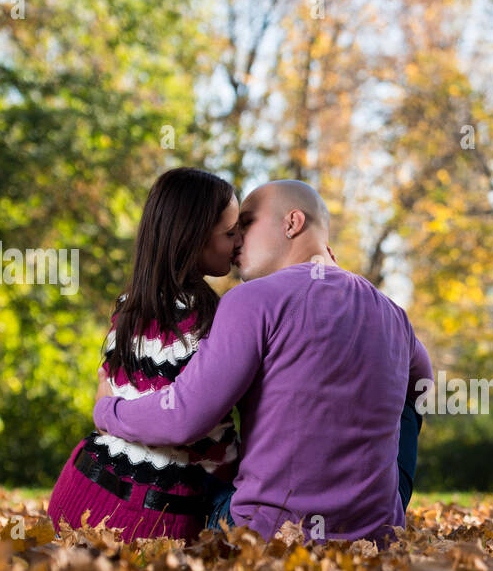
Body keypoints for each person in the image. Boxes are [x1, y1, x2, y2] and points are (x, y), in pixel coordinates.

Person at [93, 179, 432, 545]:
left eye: (247, 224)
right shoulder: (392, 314)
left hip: (263, 537)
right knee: (405, 407)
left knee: (171, 465)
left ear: (292, 223)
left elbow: (184, 419)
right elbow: (421, 388)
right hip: (376, 539)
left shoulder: (251, 300)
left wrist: (107, 411)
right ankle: (385, 508)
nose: (236, 241)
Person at [46, 167, 242, 542]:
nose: (238, 242)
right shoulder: (208, 317)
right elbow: (207, 435)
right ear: (195, 237)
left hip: (78, 487)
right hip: (146, 513)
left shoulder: (127, 306)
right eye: (230, 233)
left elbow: (110, 389)